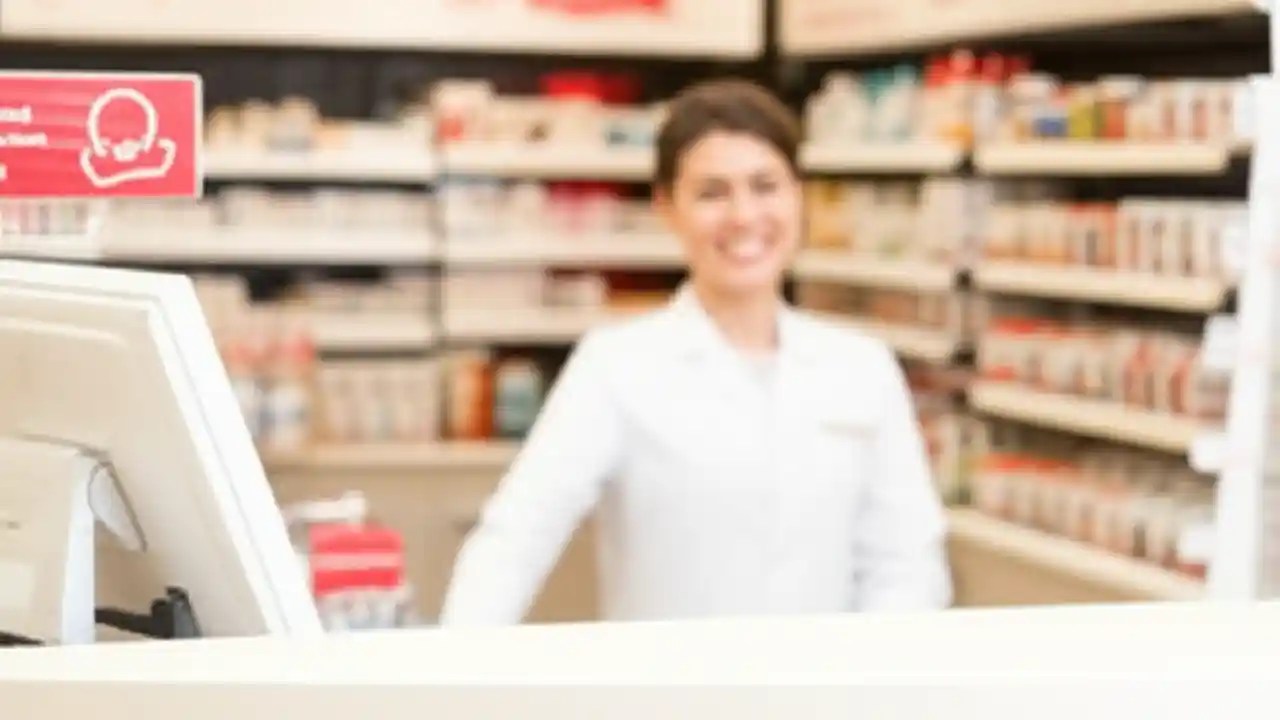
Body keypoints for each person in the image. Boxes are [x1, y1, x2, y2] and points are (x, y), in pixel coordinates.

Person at [439, 79, 952, 626]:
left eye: (765, 186)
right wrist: (446, 679)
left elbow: (907, 566)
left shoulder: (862, 369)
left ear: (798, 194)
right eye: (712, 193)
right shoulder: (617, 367)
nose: (743, 216)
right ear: (667, 207)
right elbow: (517, 537)